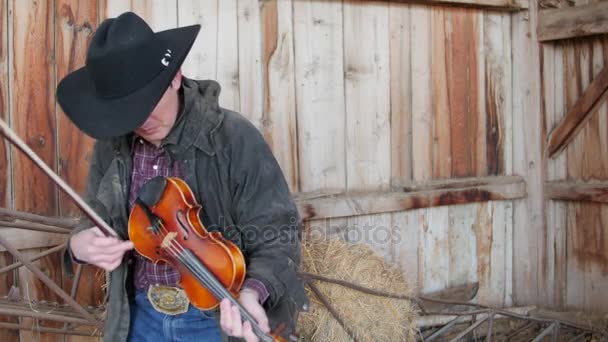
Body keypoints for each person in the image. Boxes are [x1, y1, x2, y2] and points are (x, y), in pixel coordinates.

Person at [57, 11, 307, 342]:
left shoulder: (234, 138)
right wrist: (78, 244)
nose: (139, 119)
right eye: (126, 111)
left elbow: (278, 233)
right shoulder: (113, 147)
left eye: (145, 102)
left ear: (174, 77)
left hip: (215, 316)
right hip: (140, 317)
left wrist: (251, 293)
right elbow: (94, 215)